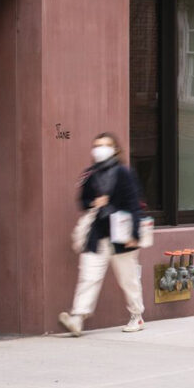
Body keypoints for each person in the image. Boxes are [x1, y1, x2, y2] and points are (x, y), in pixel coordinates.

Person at [59, 132, 146, 335]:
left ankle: (137, 315)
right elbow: (83, 202)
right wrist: (94, 202)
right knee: (88, 277)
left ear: (115, 149)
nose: (100, 149)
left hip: (122, 236)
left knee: (128, 279)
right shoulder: (90, 174)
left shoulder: (124, 173)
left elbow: (134, 204)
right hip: (97, 235)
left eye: (105, 145)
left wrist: (134, 234)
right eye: (97, 145)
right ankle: (78, 318)